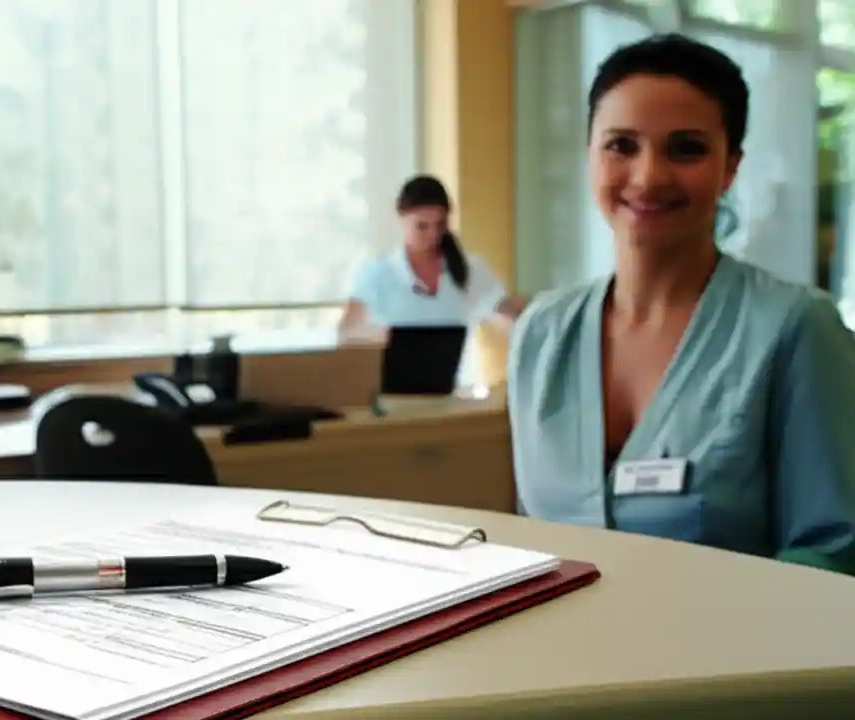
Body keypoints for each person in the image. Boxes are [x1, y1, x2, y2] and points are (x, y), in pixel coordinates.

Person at [508, 34, 855, 574]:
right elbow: (528, 537)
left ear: (730, 167)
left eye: (686, 148)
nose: (649, 177)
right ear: (589, 155)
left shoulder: (795, 328)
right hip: (567, 657)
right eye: (621, 145)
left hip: (747, 655)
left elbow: (833, 552)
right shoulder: (540, 334)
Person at [339, 175, 525, 344]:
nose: (433, 235)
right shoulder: (376, 275)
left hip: (452, 380)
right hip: (392, 378)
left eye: (440, 225)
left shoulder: (469, 269)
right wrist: (384, 337)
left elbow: (507, 317)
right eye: (422, 226)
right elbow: (346, 333)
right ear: (401, 217)